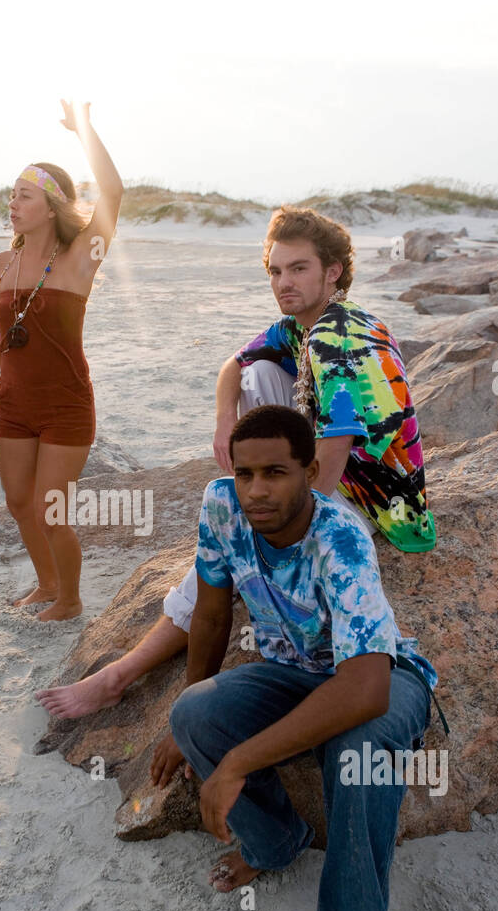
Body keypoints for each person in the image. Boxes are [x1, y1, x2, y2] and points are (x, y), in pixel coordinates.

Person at [36, 204, 435, 723]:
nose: (284, 282)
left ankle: (120, 675)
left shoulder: (338, 337)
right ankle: (261, 482)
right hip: (332, 470)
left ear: (333, 272)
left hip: (376, 504)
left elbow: (336, 447)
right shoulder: (302, 325)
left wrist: (269, 527)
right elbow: (235, 363)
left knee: (234, 538)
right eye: (276, 270)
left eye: (299, 269)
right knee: (256, 375)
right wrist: (226, 420)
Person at [169, 405, 437, 911]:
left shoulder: (340, 537)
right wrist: (183, 713)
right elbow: (211, 612)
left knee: (359, 757)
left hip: (379, 678)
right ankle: (275, 843)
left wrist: (237, 762)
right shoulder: (222, 506)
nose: (256, 490)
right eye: (245, 473)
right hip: (291, 673)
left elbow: (366, 689)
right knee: (194, 714)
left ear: (311, 473)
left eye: (276, 473)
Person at [0, 101, 123, 623]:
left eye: (25, 195)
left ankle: (71, 600)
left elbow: (114, 193)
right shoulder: (1, 264)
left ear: (52, 206)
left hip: (65, 406)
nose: (13, 202)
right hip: (13, 404)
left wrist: (85, 129)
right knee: (19, 503)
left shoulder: (81, 260)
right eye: (12, 193)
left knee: (50, 511)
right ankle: (48, 583)